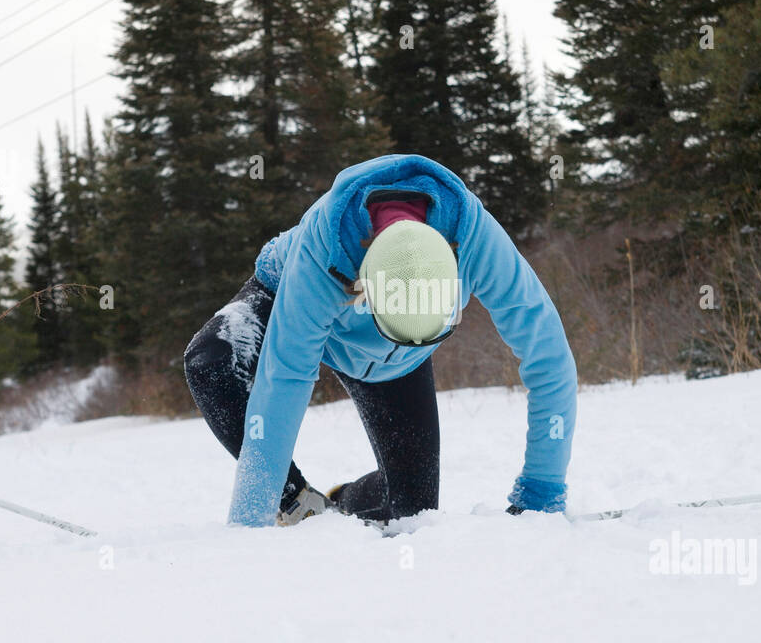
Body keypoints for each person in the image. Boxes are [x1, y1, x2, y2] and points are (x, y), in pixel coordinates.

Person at [183, 154, 577, 527]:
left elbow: (549, 356)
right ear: (364, 292)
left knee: (412, 514)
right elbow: (284, 380)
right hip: (288, 297)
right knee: (212, 361)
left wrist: (542, 489)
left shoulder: (476, 237)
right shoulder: (323, 250)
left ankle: (341, 500)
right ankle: (297, 502)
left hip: (392, 362)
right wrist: (252, 518)